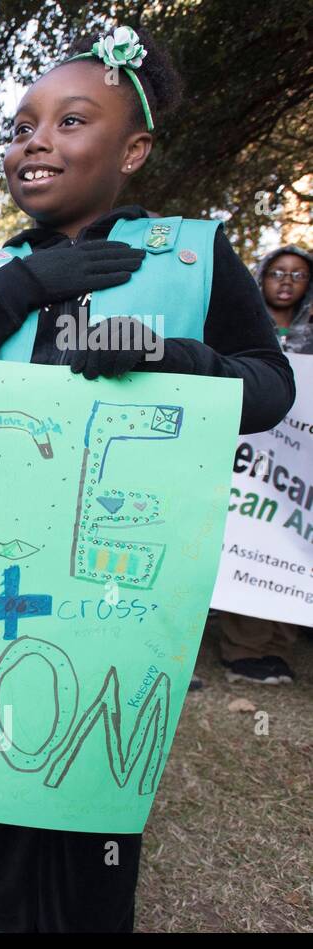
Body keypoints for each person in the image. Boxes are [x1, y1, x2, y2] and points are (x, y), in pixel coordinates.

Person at [0, 26, 294, 931]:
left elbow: (268, 384)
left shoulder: (192, 256)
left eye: (71, 121)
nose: (34, 140)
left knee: (95, 795)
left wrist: (168, 356)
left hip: (121, 585)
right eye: (22, 124)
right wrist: (23, 287)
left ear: (134, 150)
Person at [202, 245, 313, 687]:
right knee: (248, 537)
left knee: (290, 543)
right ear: (260, 278)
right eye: (277, 273)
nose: (286, 282)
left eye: (298, 275)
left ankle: (278, 645)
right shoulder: (238, 328)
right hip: (248, 456)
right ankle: (243, 648)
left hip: (297, 464)